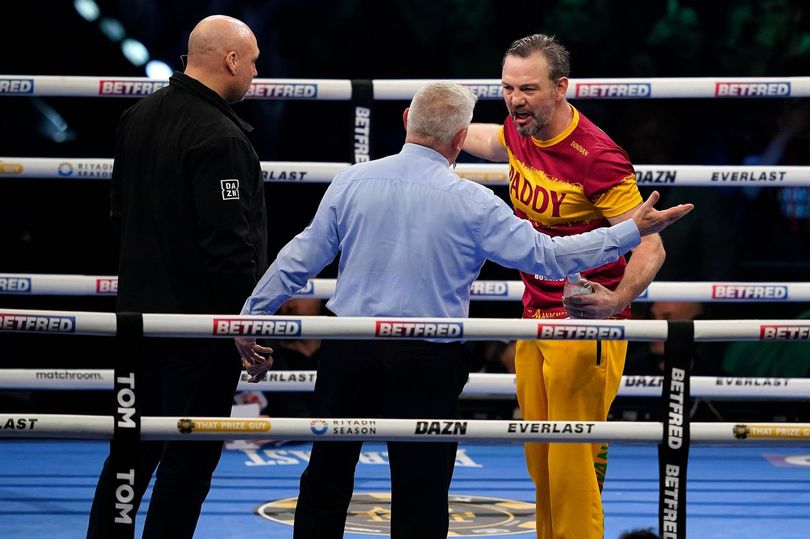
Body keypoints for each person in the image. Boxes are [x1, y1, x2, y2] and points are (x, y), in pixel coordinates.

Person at [236, 81, 692, 539]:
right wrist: (628, 233)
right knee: (422, 489)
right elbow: (549, 256)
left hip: (349, 347)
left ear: (406, 123)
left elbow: (299, 258)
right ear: (459, 141)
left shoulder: (352, 182)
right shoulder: (471, 201)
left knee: (326, 476)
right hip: (427, 356)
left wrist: (252, 315)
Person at [462, 34, 668, 539]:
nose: (515, 99)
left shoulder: (596, 156)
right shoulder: (519, 131)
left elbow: (650, 246)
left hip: (585, 324)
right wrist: (428, 126)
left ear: (560, 88)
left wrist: (617, 301)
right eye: (508, 87)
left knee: (572, 461)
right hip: (534, 317)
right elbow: (489, 140)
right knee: (540, 457)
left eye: (528, 88)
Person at [86, 15, 267, 539]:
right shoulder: (219, 137)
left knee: (131, 448)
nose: (256, 72)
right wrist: (241, 326)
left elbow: (119, 215)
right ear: (231, 60)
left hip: (137, 317)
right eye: (252, 61)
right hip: (197, 329)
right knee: (189, 458)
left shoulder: (137, 116)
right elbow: (231, 250)